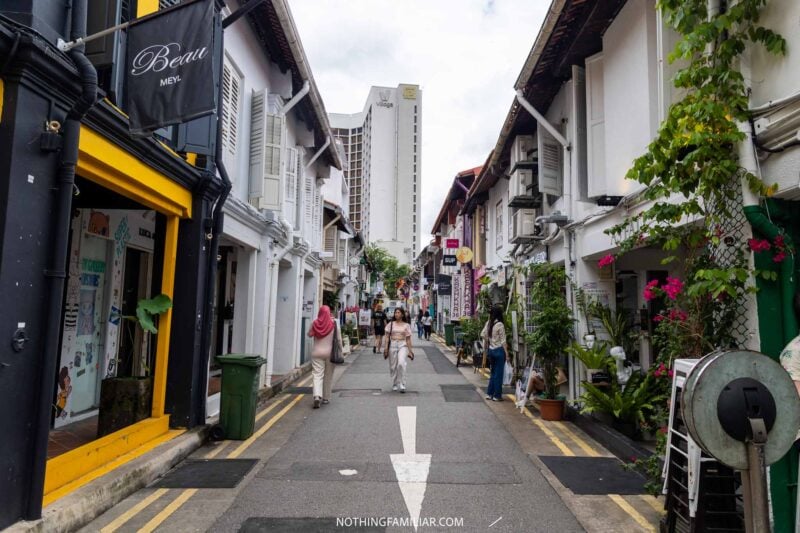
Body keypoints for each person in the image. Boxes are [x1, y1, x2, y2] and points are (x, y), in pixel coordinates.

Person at [307, 305, 343, 409]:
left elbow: (309, 334)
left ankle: (317, 396)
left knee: (317, 375)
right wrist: (341, 351)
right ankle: (326, 398)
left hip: (316, 353)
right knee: (328, 375)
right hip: (330, 354)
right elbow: (339, 339)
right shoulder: (334, 323)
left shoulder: (314, 323)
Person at [481, 305, 509, 401]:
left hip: (491, 350)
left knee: (493, 373)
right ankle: (497, 395)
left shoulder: (488, 323)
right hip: (499, 351)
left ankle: (489, 393)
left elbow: (483, 335)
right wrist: (507, 354)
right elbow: (503, 341)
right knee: (499, 374)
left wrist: (487, 344)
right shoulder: (500, 325)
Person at [385, 308, 415, 392]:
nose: (396, 314)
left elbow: (408, 339)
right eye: (395, 312)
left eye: (398, 312)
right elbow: (387, 337)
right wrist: (386, 348)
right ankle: (395, 383)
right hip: (393, 344)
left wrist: (410, 351)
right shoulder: (390, 324)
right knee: (393, 366)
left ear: (402, 314)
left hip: (402, 345)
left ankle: (402, 383)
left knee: (401, 363)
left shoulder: (406, 325)